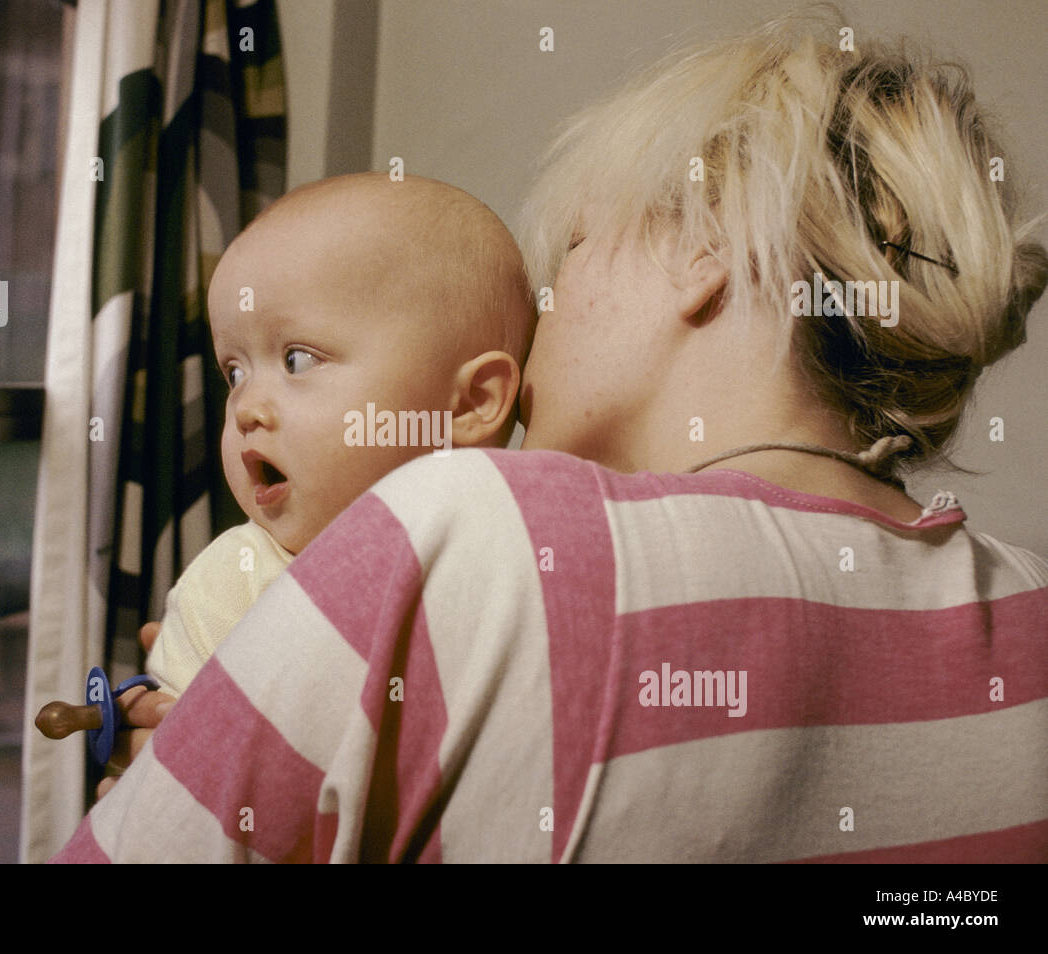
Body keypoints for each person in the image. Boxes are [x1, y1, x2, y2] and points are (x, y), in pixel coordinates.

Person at [52, 14, 1048, 863]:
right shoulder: (1030, 599)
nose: (540, 309)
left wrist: (197, 767)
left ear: (704, 251)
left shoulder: (481, 533)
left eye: (568, 251)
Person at [134, 173, 535, 701]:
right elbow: (168, 772)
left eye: (297, 360)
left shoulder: (515, 563)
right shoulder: (231, 586)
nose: (245, 409)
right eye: (234, 372)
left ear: (469, 403)